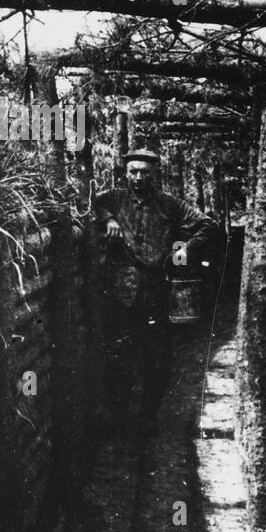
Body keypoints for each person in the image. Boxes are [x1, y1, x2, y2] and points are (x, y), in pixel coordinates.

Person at [93, 147, 225, 433]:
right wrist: (108, 219)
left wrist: (180, 255)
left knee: (158, 361)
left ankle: (148, 416)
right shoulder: (114, 199)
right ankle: (119, 419)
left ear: (154, 174)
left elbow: (207, 226)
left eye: (145, 173)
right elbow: (89, 202)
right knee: (119, 357)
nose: (138, 177)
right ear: (125, 173)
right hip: (120, 291)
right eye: (133, 172)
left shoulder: (169, 205)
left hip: (156, 291)